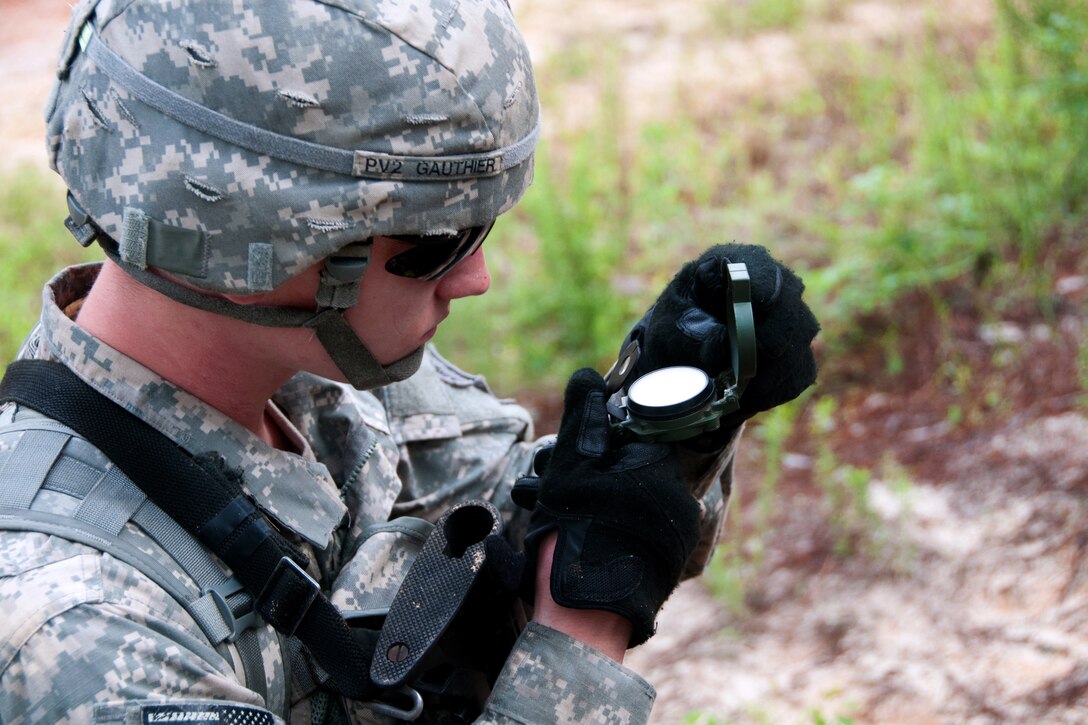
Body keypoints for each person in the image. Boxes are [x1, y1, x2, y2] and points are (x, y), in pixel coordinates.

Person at [0, 0, 819, 723]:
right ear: (250, 249)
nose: (476, 278)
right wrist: (583, 642)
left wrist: (672, 421)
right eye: (434, 246)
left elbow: (534, 510)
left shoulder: (318, 376)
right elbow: (571, 596)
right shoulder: (82, 636)